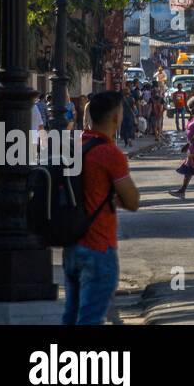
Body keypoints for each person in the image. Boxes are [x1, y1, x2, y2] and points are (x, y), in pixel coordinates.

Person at [62, 90, 141, 325]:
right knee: (90, 318)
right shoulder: (110, 153)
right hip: (98, 246)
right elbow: (133, 201)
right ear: (116, 117)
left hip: (72, 243)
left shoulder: (74, 146)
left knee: (71, 314)